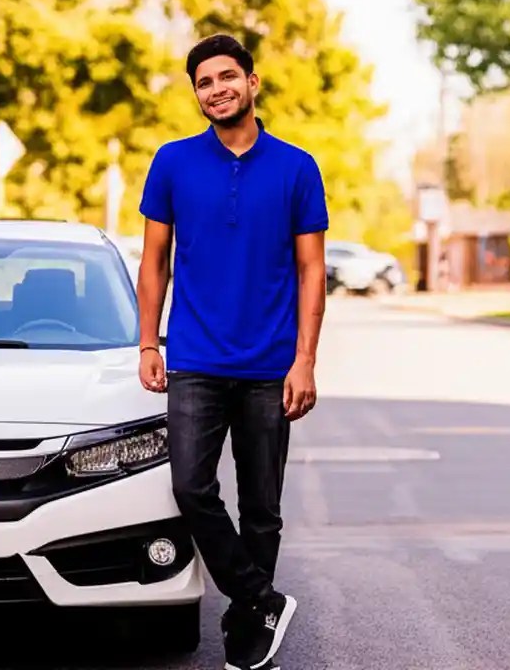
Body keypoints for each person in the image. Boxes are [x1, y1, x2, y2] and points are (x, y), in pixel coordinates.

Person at [136, 33, 328, 670]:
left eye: (226, 77)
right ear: (196, 95)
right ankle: (261, 599)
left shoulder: (296, 167)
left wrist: (305, 359)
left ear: (252, 82)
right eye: (203, 83)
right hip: (194, 358)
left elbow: (311, 270)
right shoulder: (172, 162)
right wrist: (147, 341)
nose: (216, 89)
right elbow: (154, 261)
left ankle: (248, 629)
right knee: (191, 487)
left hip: (271, 366)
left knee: (262, 508)